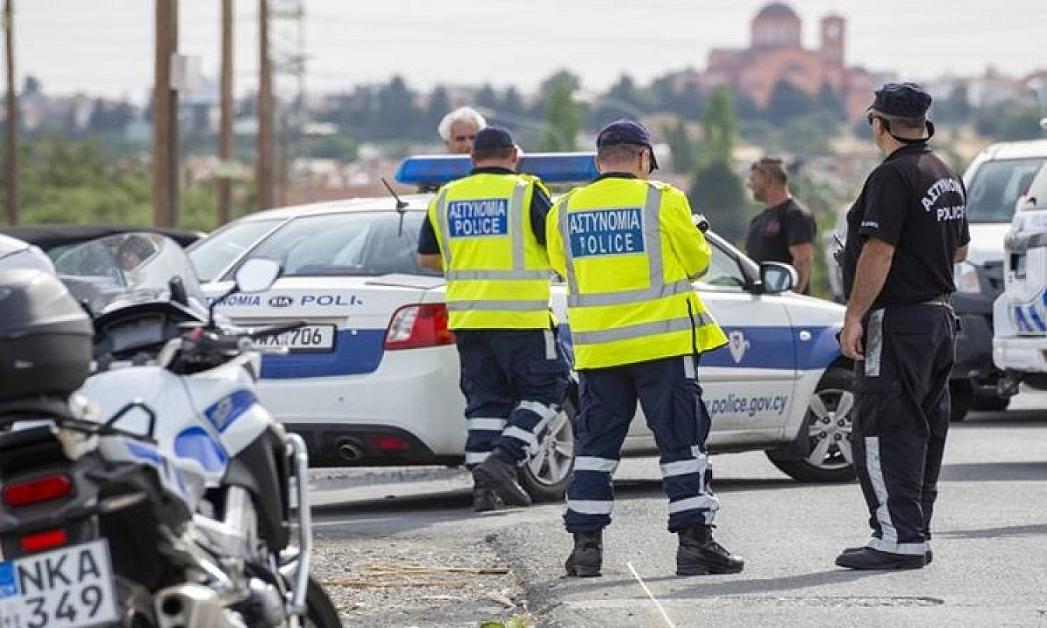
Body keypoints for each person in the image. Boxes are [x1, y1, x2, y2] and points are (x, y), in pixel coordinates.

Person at [546, 119, 744, 578]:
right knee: (682, 445)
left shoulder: (565, 208)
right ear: (643, 158)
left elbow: (561, 266)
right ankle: (695, 545)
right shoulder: (663, 199)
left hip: (599, 353)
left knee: (595, 449)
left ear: (599, 160)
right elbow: (696, 263)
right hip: (663, 347)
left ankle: (586, 549)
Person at [836, 83, 969, 570]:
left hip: (898, 320)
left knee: (883, 427)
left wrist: (854, 315)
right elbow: (960, 251)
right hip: (939, 317)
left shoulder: (891, 177)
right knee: (924, 427)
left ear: (880, 124)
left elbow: (879, 250)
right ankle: (914, 530)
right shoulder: (945, 172)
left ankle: (896, 537)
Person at [416, 126, 569, 512]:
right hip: (522, 317)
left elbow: (427, 258)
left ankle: (485, 490)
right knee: (548, 388)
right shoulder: (524, 191)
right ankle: (505, 458)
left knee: (486, 402)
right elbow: (557, 246)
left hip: (468, 318)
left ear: (471, 159)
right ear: (514, 156)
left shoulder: (446, 196)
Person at [744, 157, 817, 293]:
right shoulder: (757, 220)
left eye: (753, 179)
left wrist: (792, 300)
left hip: (783, 306)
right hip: (760, 303)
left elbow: (803, 261)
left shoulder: (795, 215)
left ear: (768, 179)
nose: (749, 185)